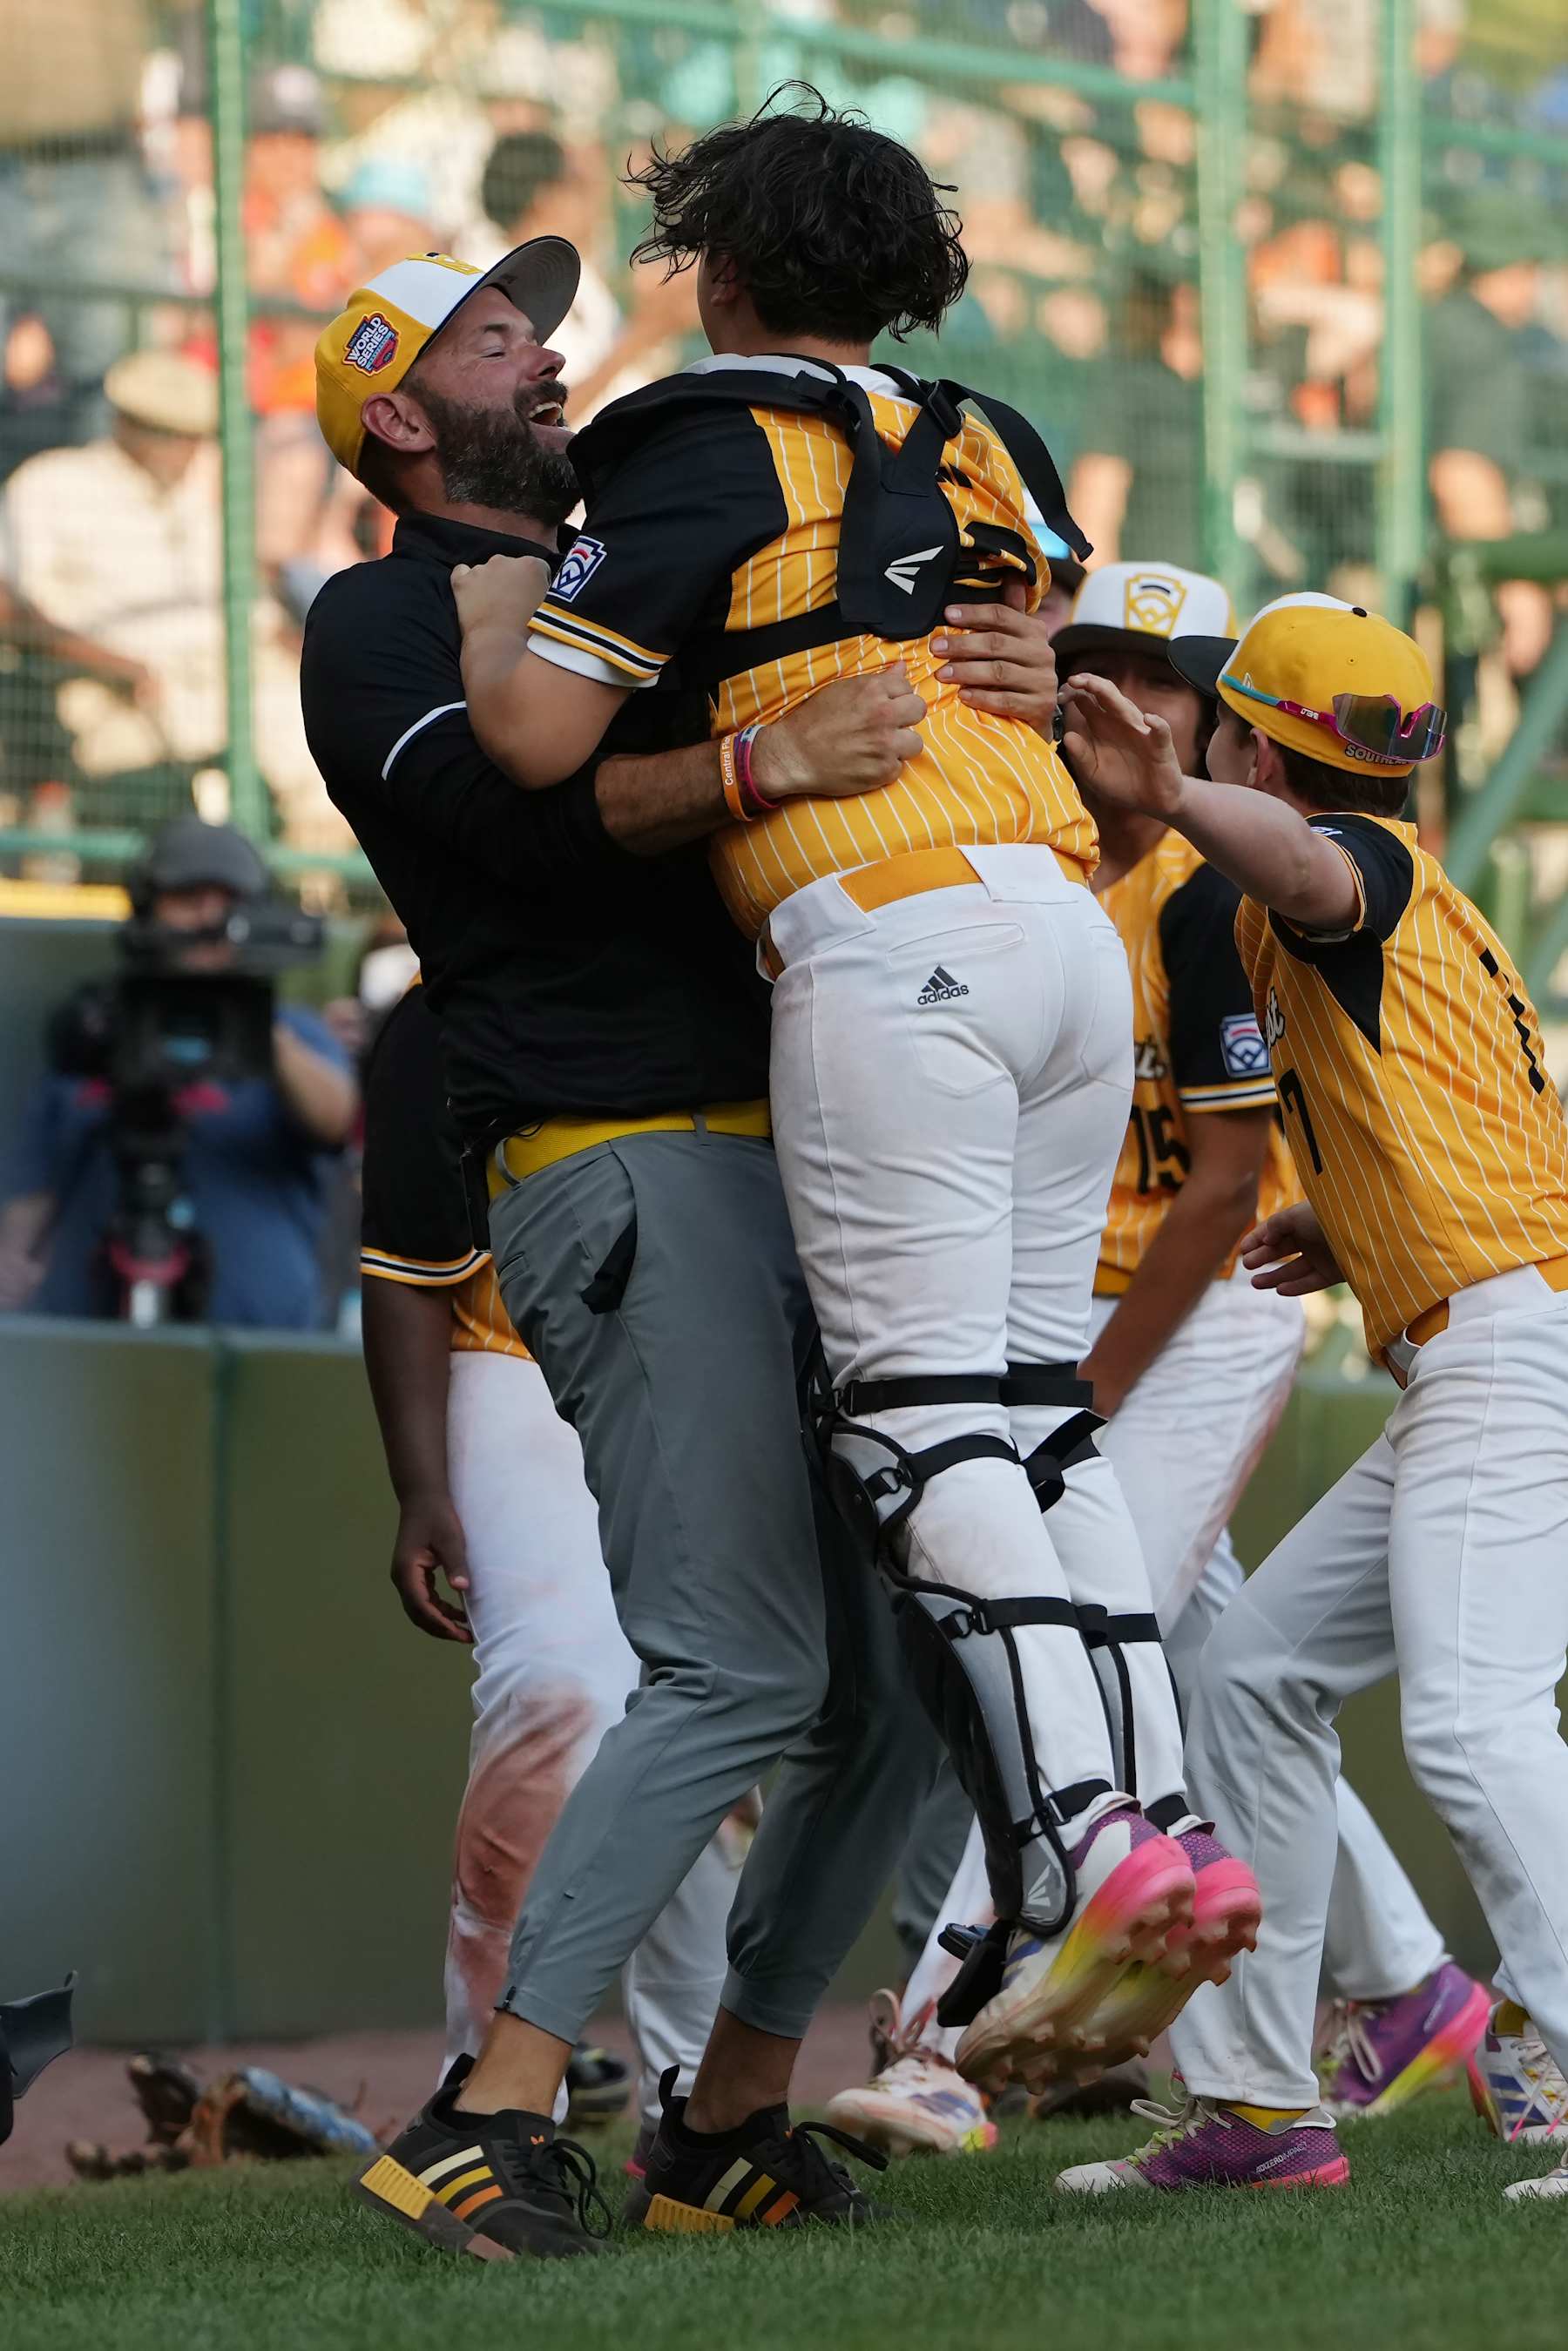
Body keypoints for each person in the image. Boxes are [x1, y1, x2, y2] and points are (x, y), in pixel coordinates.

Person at [448, 86, 1254, 2139]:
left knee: (922, 1425)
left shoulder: (690, 441)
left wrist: (535, 608)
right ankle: (1156, 1812)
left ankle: (1083, 1840)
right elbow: (1058, 641)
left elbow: (537, 733)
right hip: (1072, 937)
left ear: (711, 262)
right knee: (1037, 1406)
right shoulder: (994, 432)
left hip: (891, 935)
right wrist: (1009, 646)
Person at [301, 232, 1064, 2258]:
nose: (546, 351)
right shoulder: (379, 615)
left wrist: (1017, 672)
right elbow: (515, 825)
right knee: (740, 1657)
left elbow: (879, 701)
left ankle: (726, 2117)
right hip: (619, 1146)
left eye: (543, 321)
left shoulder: (624, 580)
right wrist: (748, 762)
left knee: (903, 1677)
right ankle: (493, 2102)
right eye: (490, 334)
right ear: (394, 415)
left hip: (808, 1132)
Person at [827, 569, 1486, 2158]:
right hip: (1063, 1330)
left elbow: (1221, 1182)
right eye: (1091, 664)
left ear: (1218, 727)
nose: (1109, 696)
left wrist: (1085, 1395)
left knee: (1055, 1644)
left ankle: (940, 2034)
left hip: (1185, 1322)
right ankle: (1403, 1989)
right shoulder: (1028, 858)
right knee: (1191, 1662)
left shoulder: (1203, 887)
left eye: (1157, 678)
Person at [1048, 596, 1568, 2202]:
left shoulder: (1354, 876)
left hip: (1514, 1343)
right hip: (1486, 1329)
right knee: (1260, 1678)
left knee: (1476, 1729)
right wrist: (1342, 1222)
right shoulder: (1436, 905)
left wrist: (1163, 796)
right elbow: (1475, 1121)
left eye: (1213, 722)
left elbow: (1317, 866)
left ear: (1254, 746)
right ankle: (1264, 2106)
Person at [358, 979, 740, 2150]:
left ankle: (708, 2098)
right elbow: (407, 1265)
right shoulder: (445, 1012)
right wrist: (422, 1483)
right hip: (507, 1349)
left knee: (708, 1711)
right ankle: (486, 2084)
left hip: (701, 1357)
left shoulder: (732, 954)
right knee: (557, 1691)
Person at [0, 816, 355, 1327]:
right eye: (188, 898)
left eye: (227, 900)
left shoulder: (291, 1034)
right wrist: (13, 1262)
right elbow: (35, 1181)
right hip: (90, 1358)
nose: (209, 916)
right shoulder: (95, 1031)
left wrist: (254, 1027)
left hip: (255, 1358)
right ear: (149, 912)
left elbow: (336, 1118)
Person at [0, 348, 343, 848]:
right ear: (126, 424)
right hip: (126, 689)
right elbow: (12, 610)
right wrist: (124, 669)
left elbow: (257, 613)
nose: (185, 450)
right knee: (270, 754)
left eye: (193, 436)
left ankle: (321, 899)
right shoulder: (53, 483)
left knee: (329, 737)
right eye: (170, 433)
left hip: (237, 678)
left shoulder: (196, 503)